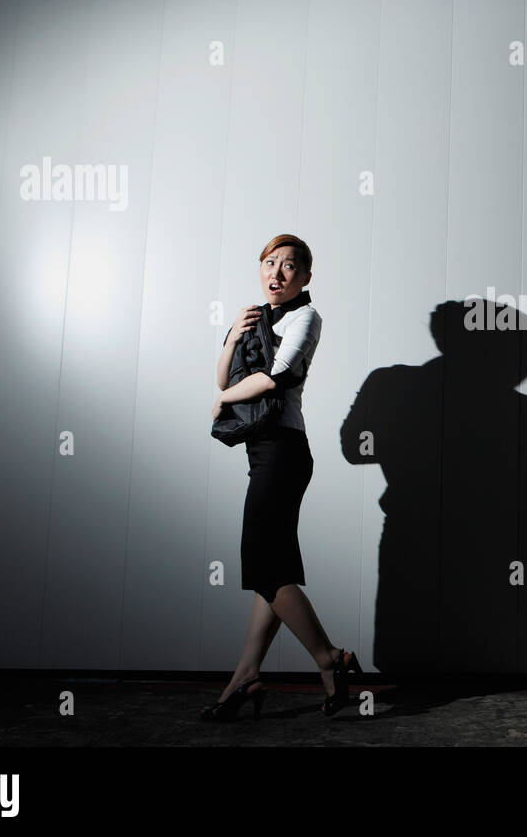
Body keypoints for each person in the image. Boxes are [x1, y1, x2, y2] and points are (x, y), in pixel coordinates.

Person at [201, 234, 360, 720]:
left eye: (289, 266)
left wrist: (225, 401)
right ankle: (247, 675)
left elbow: (277, 376)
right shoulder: (254, 319)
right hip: (262, 451)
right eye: (270, 263)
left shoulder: (305, 317)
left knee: (262, 560)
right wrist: (231, 337)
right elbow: (225, 379)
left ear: (305, 277)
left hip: (285, 453)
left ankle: (329, 658)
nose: (277, 273)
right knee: (273, 568)